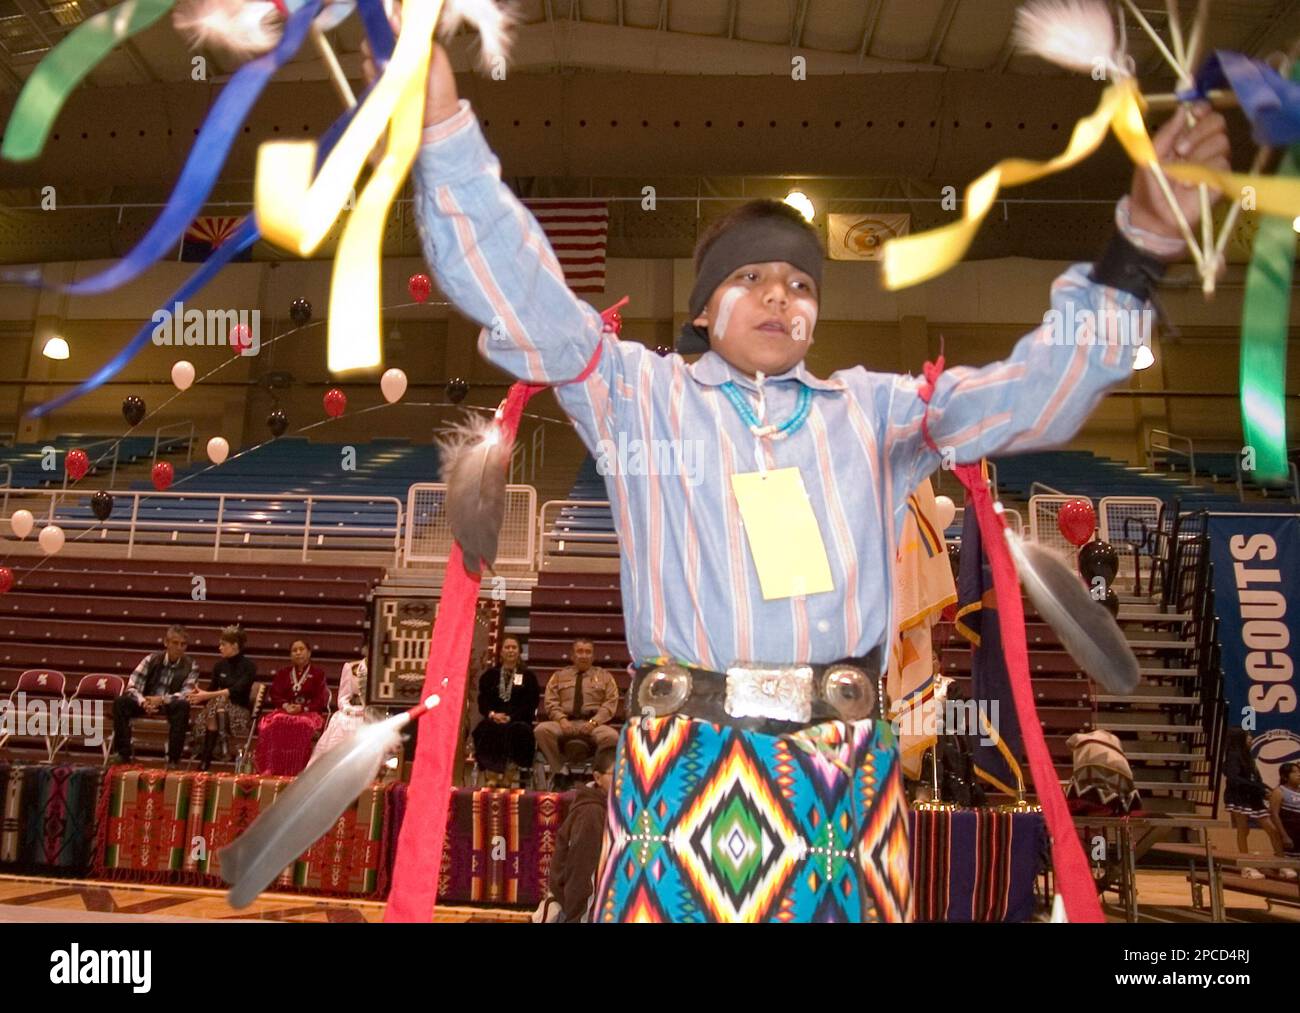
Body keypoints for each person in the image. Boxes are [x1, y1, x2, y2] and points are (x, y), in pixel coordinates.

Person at [391, 31, 1231, 922]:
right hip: (677, 770)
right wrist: (442, 125)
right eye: (750, 277)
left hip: (841, 783)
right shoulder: (639, 395)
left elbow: (1024, 400)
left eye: (800, 282)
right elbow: (528, 301)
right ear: (706, 308)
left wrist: (1133, 249)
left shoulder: (875, 412)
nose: (780, 296)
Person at [111, 625, 199, 766]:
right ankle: (122, 754)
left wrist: (162, 700)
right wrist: (143, 702)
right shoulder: (151, 659)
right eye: (175, 643)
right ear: (166, 643)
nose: (179, 647)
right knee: (120, 702)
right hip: (146, 700)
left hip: (169, 703)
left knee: (183, 706)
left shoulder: (191, 665)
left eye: (183, 644)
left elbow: (187, 693)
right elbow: (132, 686)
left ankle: (173, 760)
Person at [535, 639, 618, 788]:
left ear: (593, 657)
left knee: (612, 736)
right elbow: (551, 702)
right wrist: (561, 720)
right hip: (565, 723)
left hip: (593, 724)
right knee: (541, 730)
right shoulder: (559, 676)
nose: (584, 655)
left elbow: (610, 704)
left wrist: (594, 722)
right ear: (572, 656)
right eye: (580, 652)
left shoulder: (605, 677)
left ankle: (597, 776)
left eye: (588, 652)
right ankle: (560, 771)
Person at [547, 749, 616, 923]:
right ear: (598, 778)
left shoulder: (612, 808)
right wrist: (579, 917)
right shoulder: (591, 813)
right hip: (581, 910)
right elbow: (583, 874)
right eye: (616, 774)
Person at [472, 637, 540, 787]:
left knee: (518, 731)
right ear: (501, 652)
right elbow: (482, 701)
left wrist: (510, 717)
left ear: (519, 652)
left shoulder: (529, 677)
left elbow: (531, 703)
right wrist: (492, 714)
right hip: (494, 718)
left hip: (519, 720)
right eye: (507, 648)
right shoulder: (489, 676)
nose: (510, 651)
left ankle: (510, 772)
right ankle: (492, 774)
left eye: (514, 648)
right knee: (484, 729)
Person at [1222, 728, 1290, 877]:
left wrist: (1265, 790)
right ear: (1239, 739)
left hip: (1253, 798)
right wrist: (1258, 788)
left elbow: (1256, 780)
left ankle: (1281, 863)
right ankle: (1245, 865)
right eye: (1248, 737)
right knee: (1243, 829)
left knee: (1272, 829)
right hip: (1239, 798)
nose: (1251, 739)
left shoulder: (1249, 757)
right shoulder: (1233, 756)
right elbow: (1234, 779)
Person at [187, 625, 257, 771]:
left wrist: (208, 696)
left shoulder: (249, 666)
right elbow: (211, 690)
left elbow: (237, 690)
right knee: (216, 707)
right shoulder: (219, 666)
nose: (220, 648)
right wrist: (200, 696)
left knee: (217, 706)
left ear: (235, 646)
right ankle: (220, 742)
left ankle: (205, 761)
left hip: (239, 712)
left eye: (223, 644)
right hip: (217, 712)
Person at [255, 639, 329, 776]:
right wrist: (286, 706)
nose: (298, 653)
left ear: (309, 653)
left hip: (309, 713)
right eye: (294, 650)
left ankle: (301, 769)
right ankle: (271, 767)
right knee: (272, 723)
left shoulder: (318, 674)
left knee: (304, 724)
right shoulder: (283, 673)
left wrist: (303, 708)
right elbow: (275, 693)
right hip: (286, 711)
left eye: (301, 649)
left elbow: (321, 699)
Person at [1269, 762, 1300, 860]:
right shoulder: (1279, 792)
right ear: (1285, 776)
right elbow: (1274, 815)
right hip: (1289, 833)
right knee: (1289, 871)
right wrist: (1284, 836)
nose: (1298, 774)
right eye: (1294, 772)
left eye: (1299, 771)